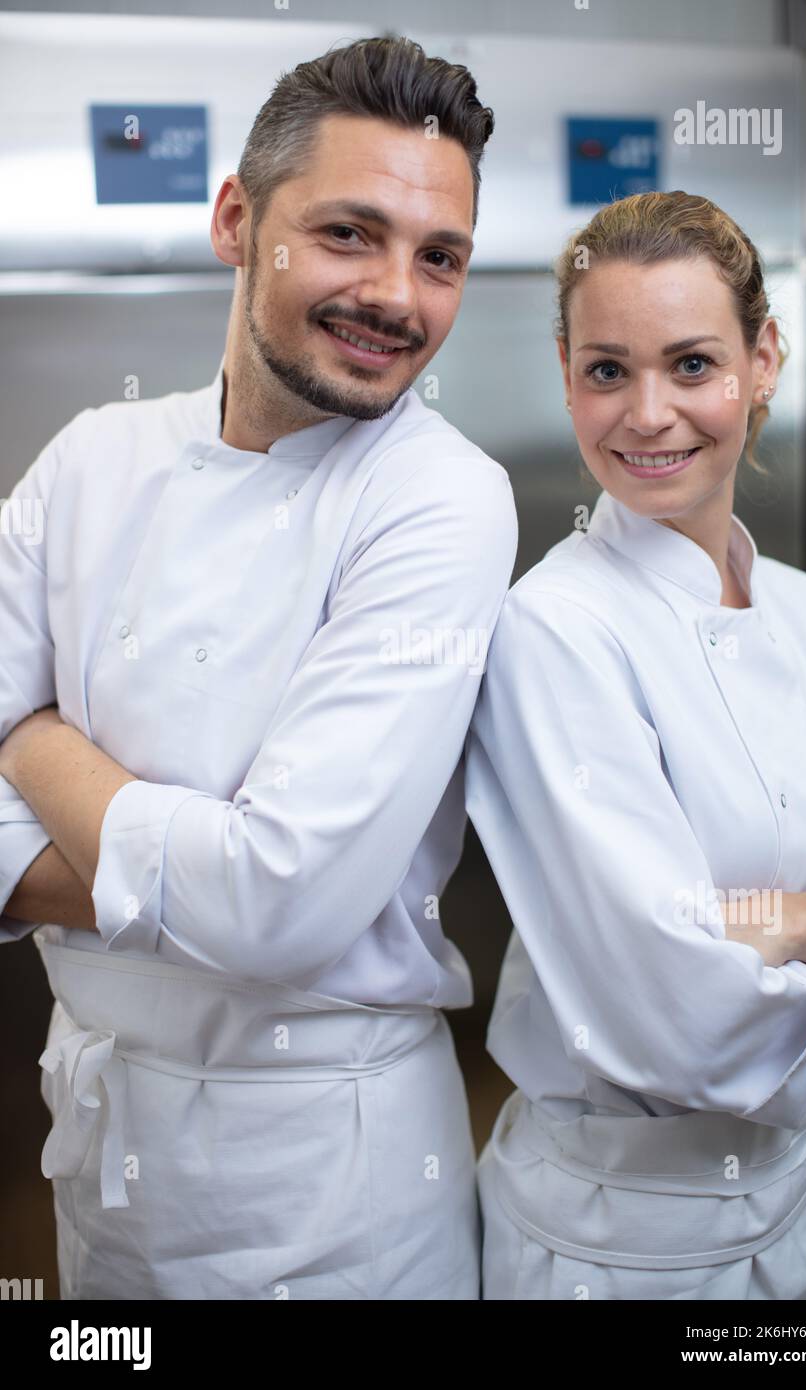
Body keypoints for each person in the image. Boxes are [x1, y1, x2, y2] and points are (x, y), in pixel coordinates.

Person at [0, 36, 517, 1300]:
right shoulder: (90, 456)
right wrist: (204, 879)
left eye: (438, 256)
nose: (397, 294)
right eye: (349, 234)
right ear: (238, 220)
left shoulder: (441, 497)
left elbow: (281, 903)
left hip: (332, 1194)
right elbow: (242, 894)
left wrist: (24, 741)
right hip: (107, 1163)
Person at [465, 189, 806, 1300]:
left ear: (762, 358)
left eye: (690, 364)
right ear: (564, 374)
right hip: (620, 1245)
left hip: (803, 1199)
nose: (646, 414)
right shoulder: (550, 631)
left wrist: (784, 925)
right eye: (606, 370)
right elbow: (677, 1019)